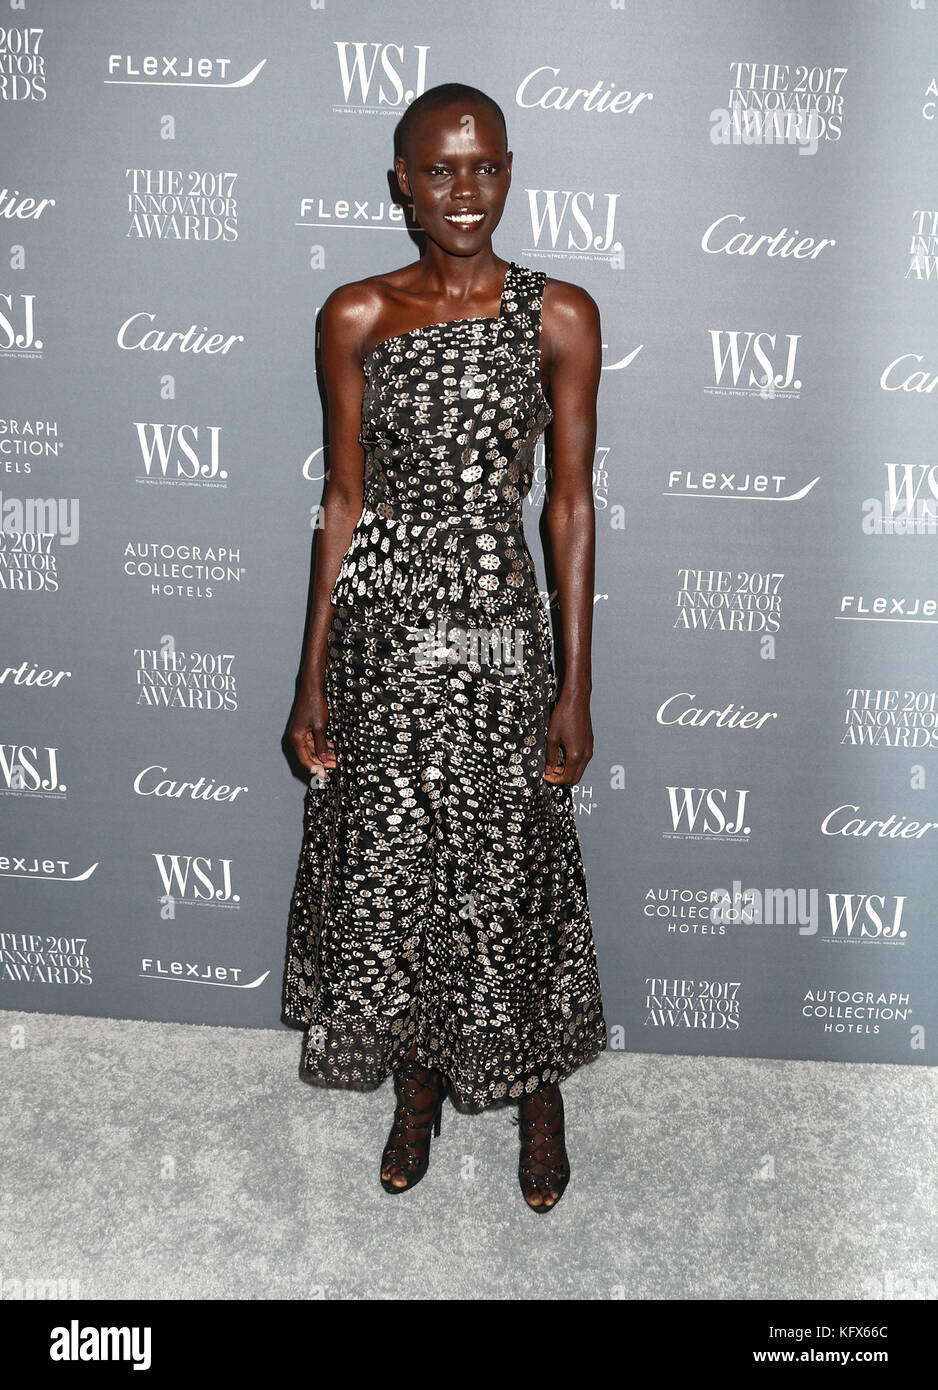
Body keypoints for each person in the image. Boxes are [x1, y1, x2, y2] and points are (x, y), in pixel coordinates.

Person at [282, 82, 607, 1212]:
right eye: (437, 170)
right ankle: (415, 1083)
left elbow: (567, 506)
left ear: (508, 173)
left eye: (482, 167)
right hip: (383, 640)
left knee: (512, 875)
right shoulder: (355, 314)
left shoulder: (558, 313)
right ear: (401, 185)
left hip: (499, 635)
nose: (461, 190)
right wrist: (311, 674)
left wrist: (572, 682)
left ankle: (536, 1091)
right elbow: (341, 498)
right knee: (400, 869)